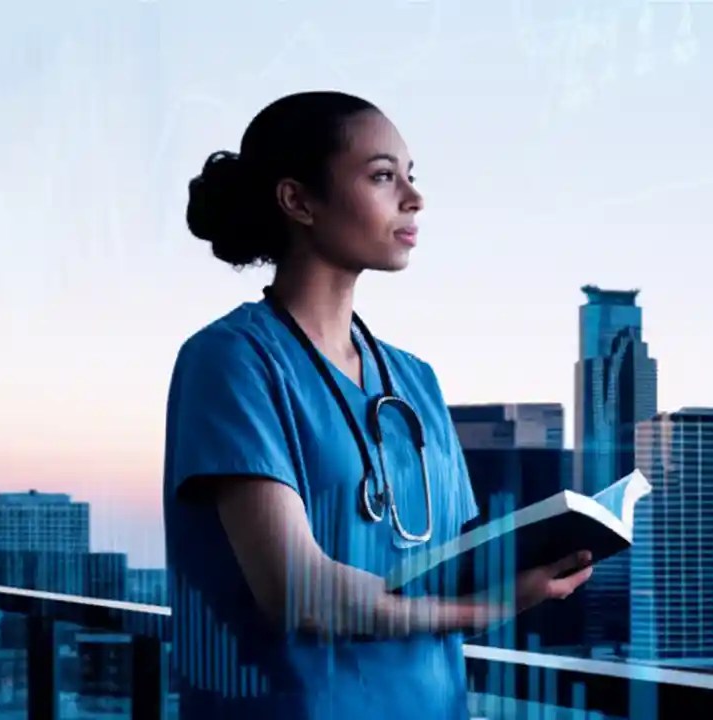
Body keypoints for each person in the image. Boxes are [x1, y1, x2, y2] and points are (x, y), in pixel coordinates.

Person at [162, 90, 593, 720]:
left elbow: (452, 560)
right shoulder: (231, 362)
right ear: (298, 200)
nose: (413, 199)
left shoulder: (415, 380)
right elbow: (298, 593)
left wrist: (552, 542)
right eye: (383, 176)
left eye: (411, 178)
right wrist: (496, 607)